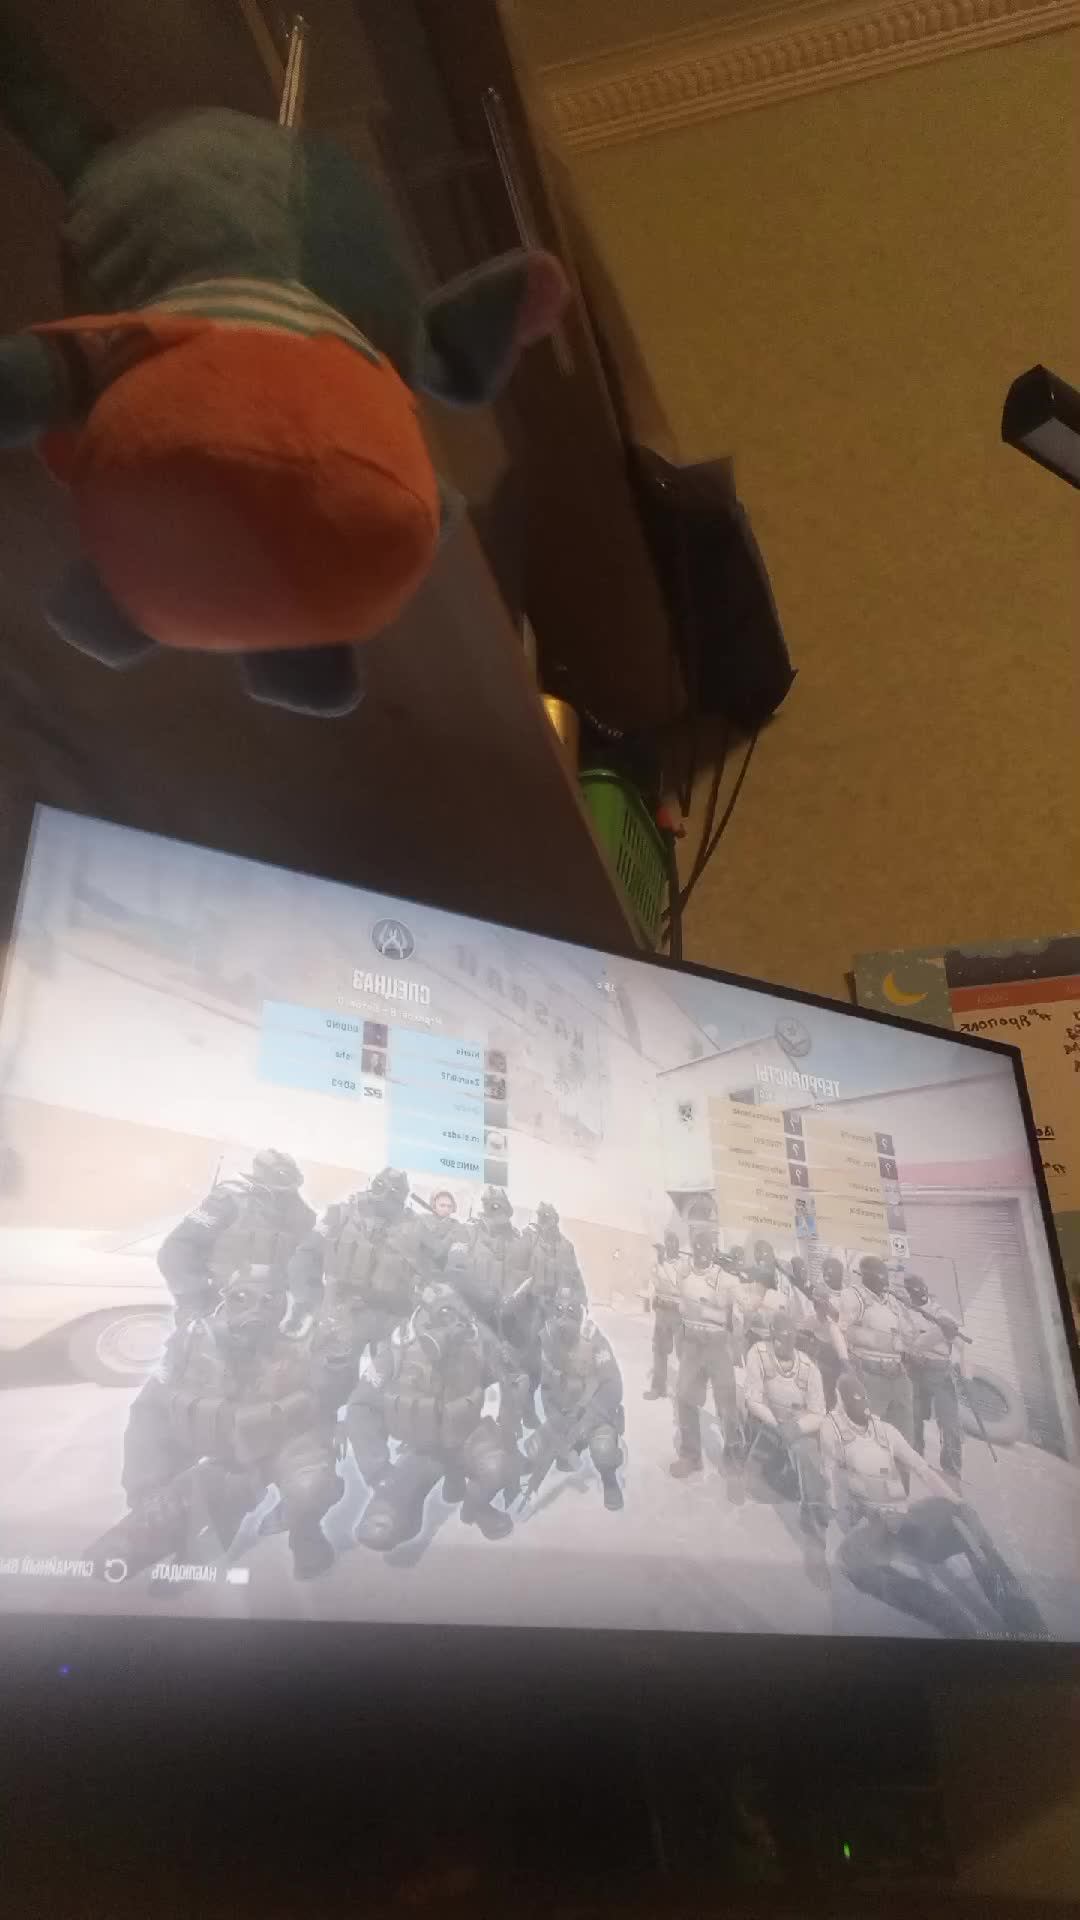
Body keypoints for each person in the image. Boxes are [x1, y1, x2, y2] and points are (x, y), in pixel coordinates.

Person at [101, 1265, 341, 1581]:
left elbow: (330, 1399)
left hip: (289, 1442)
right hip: (224, 1450)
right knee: (117, 1551)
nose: (255, 1308)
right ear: (225, 1298)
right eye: (241, 1297)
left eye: (269, 1299)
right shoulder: (191, 1341)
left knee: (310, 1486)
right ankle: (208, 1526)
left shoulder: (310, 1338)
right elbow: (150, 1414)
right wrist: (148, 1491)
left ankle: (305, 1533)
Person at [821, 1372, 1045, 1639]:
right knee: (855, 1564)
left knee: (963, 1520)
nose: (861, 1410)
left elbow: (922, 1469)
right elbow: (833, 1486)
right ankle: (962, 1628)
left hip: (904, 1518)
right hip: (875, 1527)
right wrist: (860, 1514)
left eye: (863, 1402)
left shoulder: (886, 1431)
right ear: (841, 1405)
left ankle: (1028, 1624)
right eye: (852, 1403)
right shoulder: (832, 1434)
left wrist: (957, 1502)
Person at [348, 1282, 524, 1550]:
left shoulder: (476, 1339)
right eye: (441, 1314)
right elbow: (361, 1406)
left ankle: (476, 1507)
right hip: (422, 1447)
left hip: (468, 1436)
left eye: (454, 1313)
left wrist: (506, 1429)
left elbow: (509, 1381)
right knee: (384, 1521)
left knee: (496, 1467)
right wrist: (378, 1470)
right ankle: (409, 1506)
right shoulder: (400, 1346)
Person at [156, 1148, 314, 1328]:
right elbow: (176, 1249)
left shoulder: (302, 1214)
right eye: (279, 1175)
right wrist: (195, 1298)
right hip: (216, 1307)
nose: (284, 1186)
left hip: (271, 1313)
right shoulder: (228, 1200)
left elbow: (307, 1266)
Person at [293, 1168, 417, 1388]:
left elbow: (428, 1275)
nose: (386, 1195)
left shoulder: (413, 1227)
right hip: (343, 1314)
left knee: (389, 1386)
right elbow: (305, 1256)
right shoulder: (341, 1214)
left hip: (391, 1317)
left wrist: (411, 1313)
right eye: (381, 1187)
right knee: (328, 1383)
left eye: (394, 1192)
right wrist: (311, 1301)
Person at [523, 1285, 625, 1512]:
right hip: (566, 1413)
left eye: (570, 1311)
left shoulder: (593, 1337)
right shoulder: (547, 1338)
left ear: (579, 1312)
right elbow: (547, 1386)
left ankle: (609, 1479)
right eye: (559, 1310)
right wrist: (556, 1422)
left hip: (595, 1413)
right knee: (535, 1447)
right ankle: (572, 1446)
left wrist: (587, 1421)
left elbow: (613, 1387)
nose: (563, 1318)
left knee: (603, 1449)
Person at [670, 1225, 744, 1477]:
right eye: (699, 1248)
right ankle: (690, 1456)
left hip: (716, 1345)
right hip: (692, 1344)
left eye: (709, 1248)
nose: (704, 1253)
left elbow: (737, 1316)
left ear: (714, 1250)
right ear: (693, 1249)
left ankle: (733, 1453)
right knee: (684, 1397)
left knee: (726, 1402)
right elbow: (680, 1306)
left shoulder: (727, 1279)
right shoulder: (683, 1274)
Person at [743, 1310, 828, 1531]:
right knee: (753, 1485)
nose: (782, 1345)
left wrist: (795, 1428)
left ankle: (812, 1508)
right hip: (768, 1422)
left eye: (788, 1340)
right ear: (772, 1336)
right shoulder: (758, 1353)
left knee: (804, 1451)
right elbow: (753, 1399)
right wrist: (775, 1424)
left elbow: (819, 1413)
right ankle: (760, 1456)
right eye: (779, 1339)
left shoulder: (809, 1368)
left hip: (797, 1429)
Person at [502, 1201, 586, 1398]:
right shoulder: (529, 1240)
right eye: (541, 1217)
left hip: (558, 1309)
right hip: (532, 1307)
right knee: (528, 1354)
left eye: (549, 1217)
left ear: (556, 1219)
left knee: (557, 1355)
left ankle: (552, 1396)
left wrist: (582, 1301)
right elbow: (514, 1271)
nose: (545, 1221)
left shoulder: (566, 1246)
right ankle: (526, 1397)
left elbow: (575, 1276)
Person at [835, 1254, 915, 1444]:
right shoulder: (853, 1296)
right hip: (870, 1374)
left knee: (904, 1435)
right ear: (866, 1276)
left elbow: (909, 1333)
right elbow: (843, 1331)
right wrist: (848, 1363)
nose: (884, 1281)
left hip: (898, 1374)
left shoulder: (893, 1300)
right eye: (879, 1276)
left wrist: (908, 1311)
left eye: (885, 1276)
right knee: (869, 1432)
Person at [902, 1274, 963, 1477]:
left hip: (940, 1371)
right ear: (909, 1293)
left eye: (921, 1289)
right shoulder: (904, 1312)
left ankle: (952, 1467)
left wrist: (945, 1330)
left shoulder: (939, 1310)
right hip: (916, 1370)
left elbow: (956, 1339)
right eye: (913, 1290)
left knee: (950, 1422)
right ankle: (915, 1458)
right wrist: (935, 1335)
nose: (919, 1293)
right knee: (915, 1416)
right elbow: (908, 1342)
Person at [445, 1184, 528, 1331]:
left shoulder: (516, 1240)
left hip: (503, 1321)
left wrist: (510, 1301)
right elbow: (455, 1271)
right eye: (491, 1208)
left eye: (500, 1209)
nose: (496, 1215)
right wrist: (483, 1294)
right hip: (467, 1316)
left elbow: (522, 1279)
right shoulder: (466, 1232)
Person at [800, 1256, 847, 1410]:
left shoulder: (849, 1295)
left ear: (841, 1273)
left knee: (845, 1396)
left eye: (831, 1273)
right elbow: (808, 1322)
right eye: (825, 1273)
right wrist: (820, 1314)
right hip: (825, 1351)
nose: (827, 1277)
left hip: (848, 1352)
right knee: (825, 1392)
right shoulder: (818, 1293)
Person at [645, 1229, 683, 1400]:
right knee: (659, 1350)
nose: (670, 1245)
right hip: (662, 1311)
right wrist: (651, 1300)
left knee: (683, 1354)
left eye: (673, 1242)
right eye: (668, 1242)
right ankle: (658, 1388)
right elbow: (655, 1282)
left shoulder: (683, 1266)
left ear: (678, 1246)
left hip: (678, 1313)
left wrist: (662, 1264)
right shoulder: (659, 1263)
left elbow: (675, 1283)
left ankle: (685, 1395)